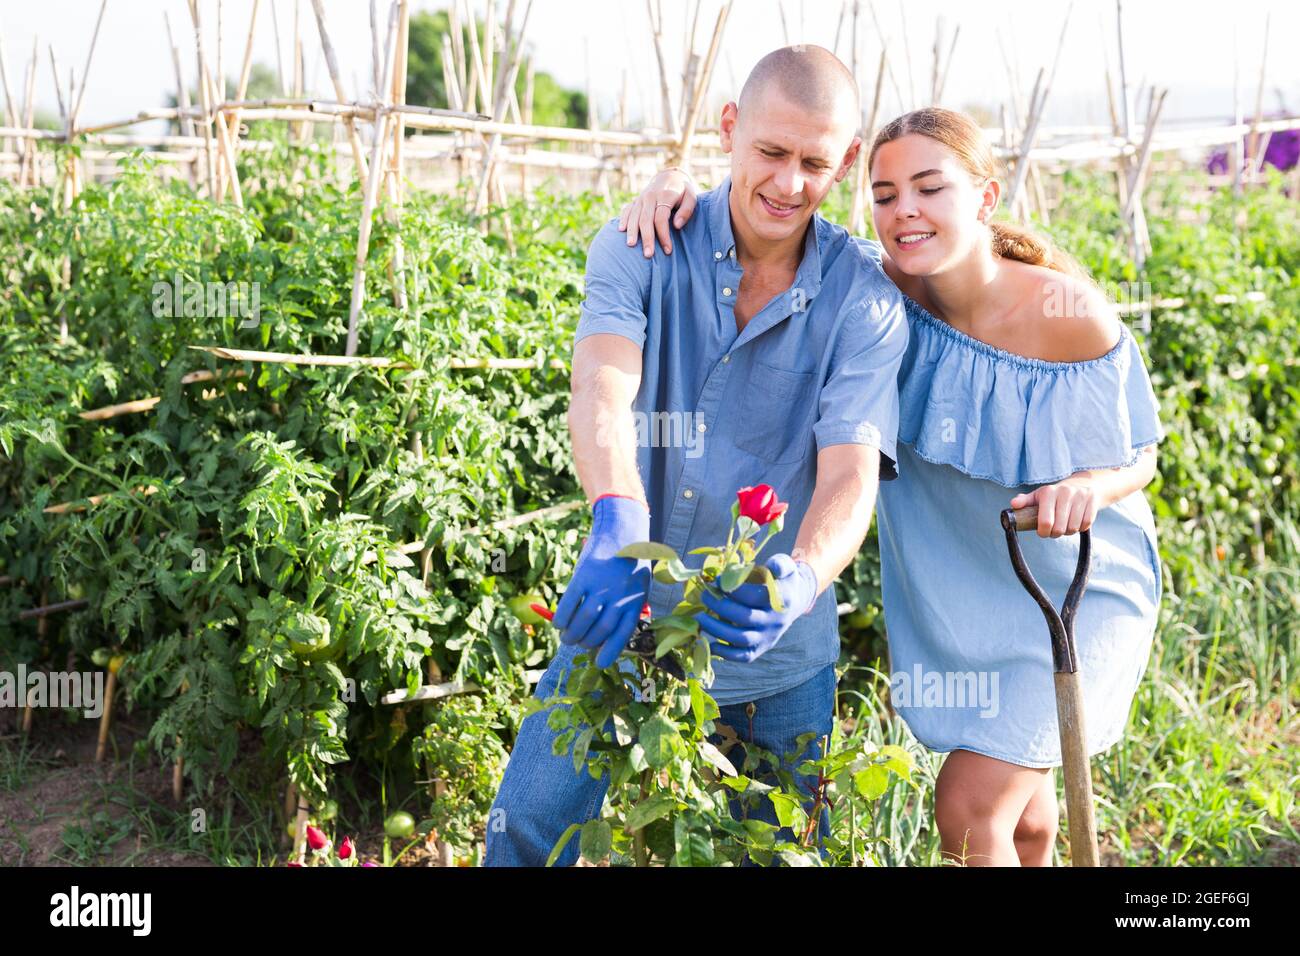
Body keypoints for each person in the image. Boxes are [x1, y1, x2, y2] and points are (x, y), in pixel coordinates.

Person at [619, 106, 1163, 866]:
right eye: (883, 193)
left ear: (985, 197)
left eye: (929, 188)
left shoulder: (1066, 315)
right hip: (971, 594)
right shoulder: (877, 301)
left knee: (970, 807)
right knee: (1028, 824)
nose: (903, 209)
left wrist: (1092, 486)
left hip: (1077, 591)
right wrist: (669, 185)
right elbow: (756, 219)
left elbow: (1143, 456)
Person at [484, 46, 909, 866]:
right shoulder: (641, 245)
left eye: (815, 163)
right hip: (623, 614)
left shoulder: (865, 300)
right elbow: (603, 385)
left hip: (774, 655)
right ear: (729, 130)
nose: (789, 183)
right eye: (771, 152)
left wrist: (802, 577)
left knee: (770, 854)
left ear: (847, 162)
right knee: (526, 835)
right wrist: (619, 514)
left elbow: (851, 470)